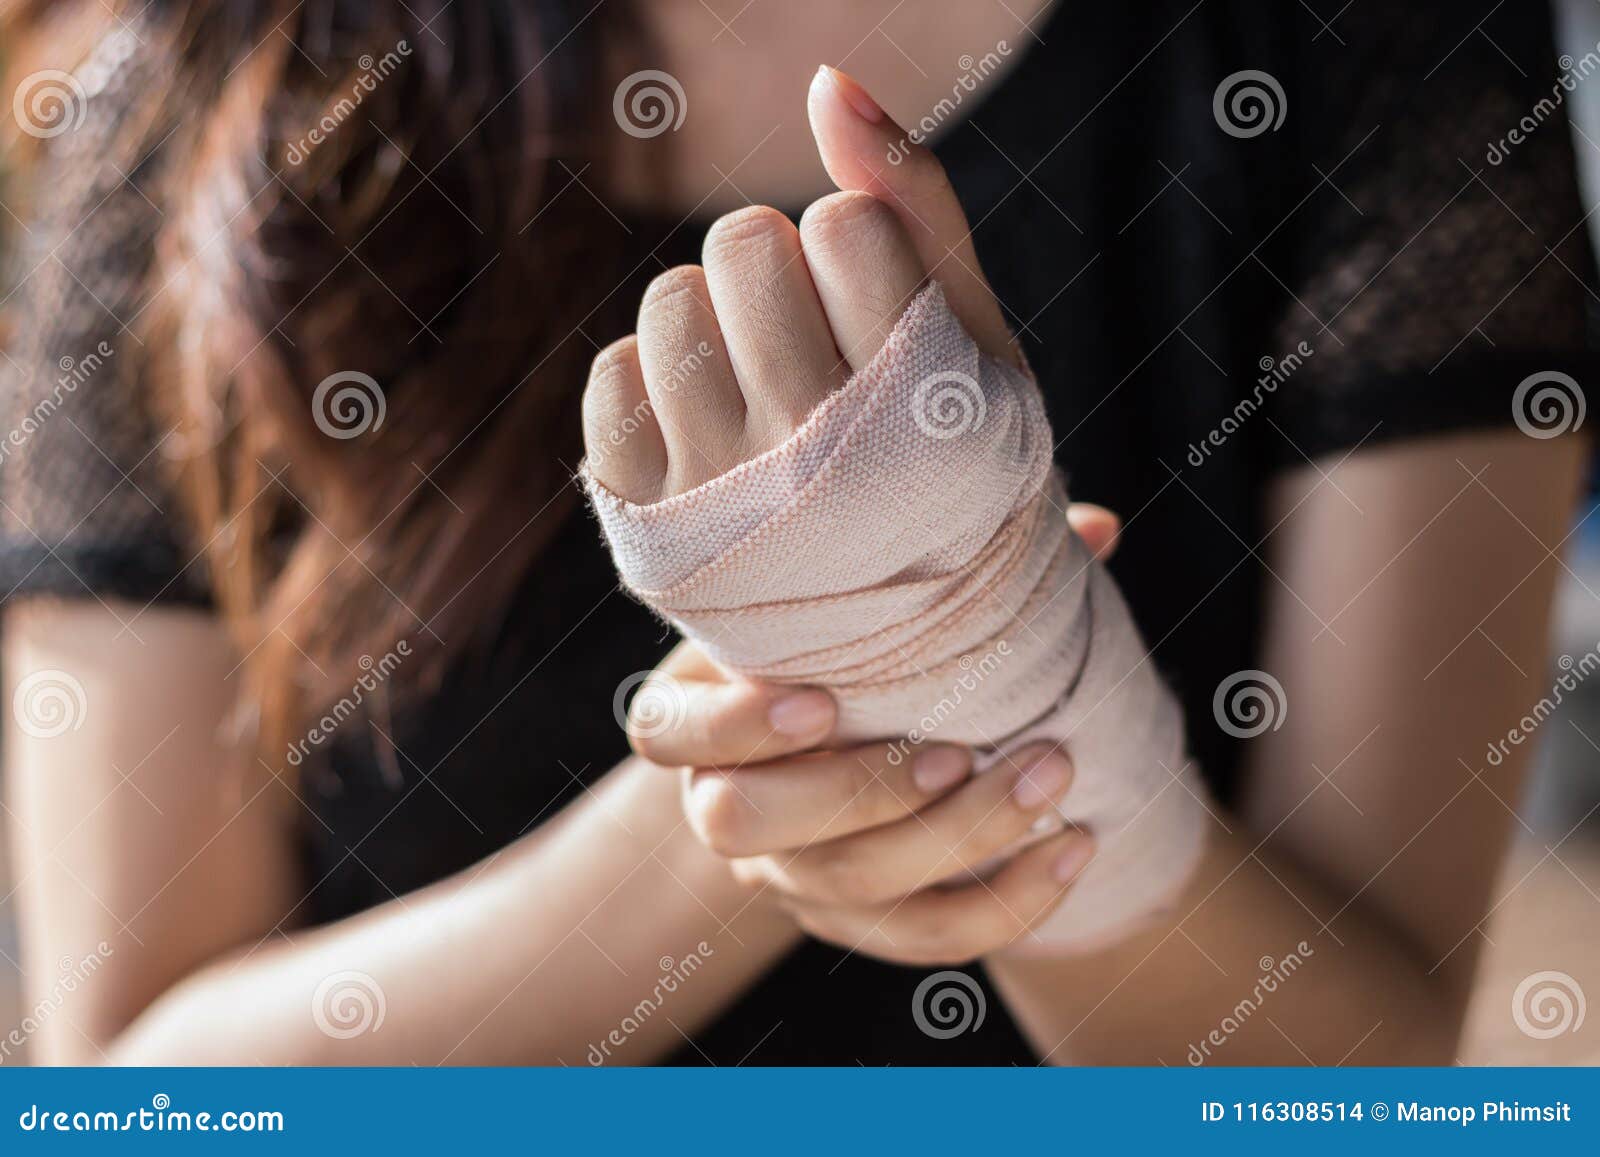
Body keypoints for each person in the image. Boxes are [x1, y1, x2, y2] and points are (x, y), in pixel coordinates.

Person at [1, 0, 1591, 1065]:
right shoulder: (201, 82)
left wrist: (939, 688)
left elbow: (1368, 1079)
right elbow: (137, 1090)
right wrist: (794, 763)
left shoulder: (1366, 37)